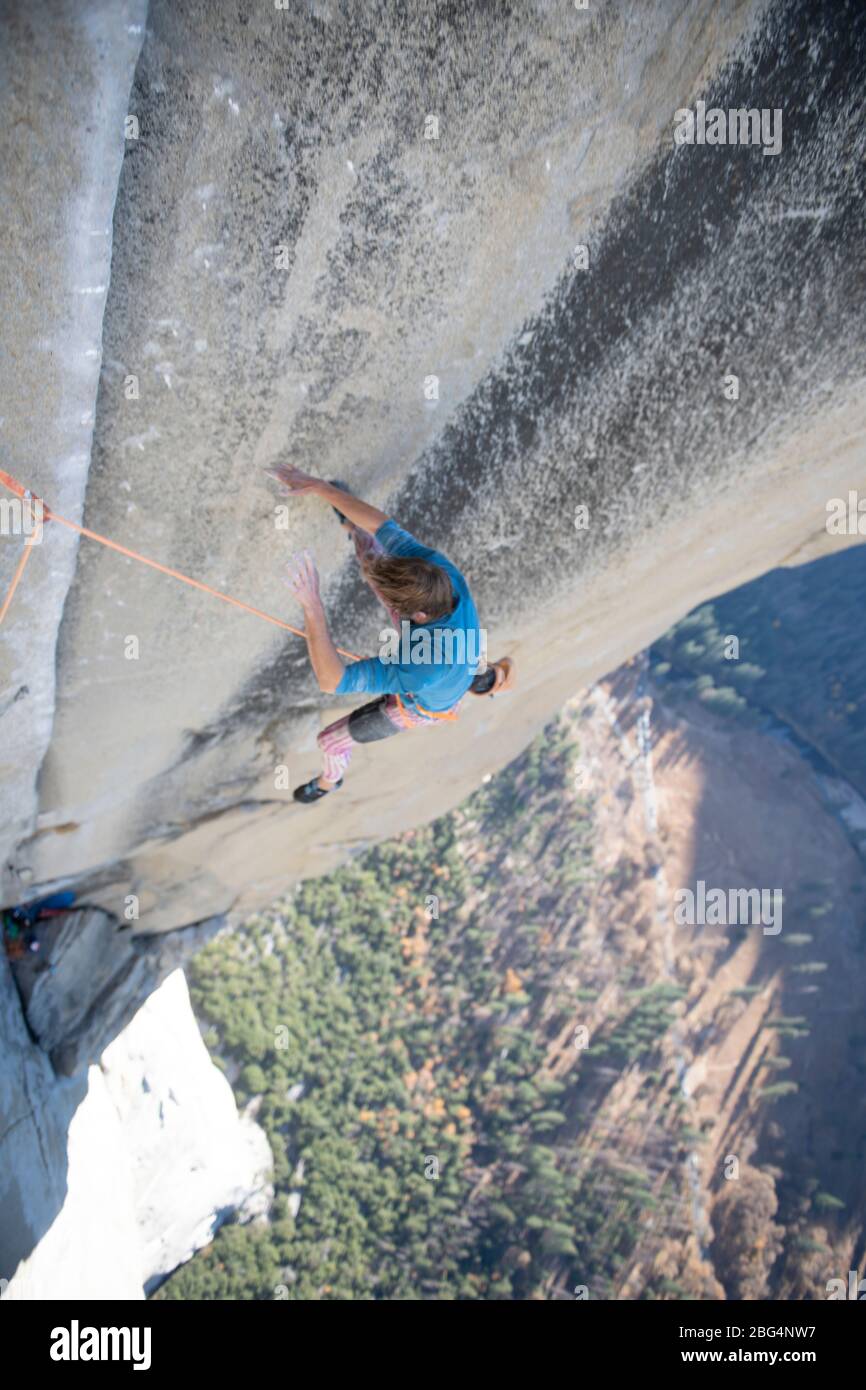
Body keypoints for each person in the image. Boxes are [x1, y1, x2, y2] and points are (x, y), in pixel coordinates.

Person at [265, 466, 513, 803]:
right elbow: (384, 527)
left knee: (330, 742)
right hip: (448, 658)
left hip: (417, 706)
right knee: (373, 557)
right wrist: (321, 488)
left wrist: (312, 605)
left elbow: (332, 681)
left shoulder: (419, 671)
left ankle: (329, 783)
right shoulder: (439, 572)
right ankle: (351, 527)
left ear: (417, 616)